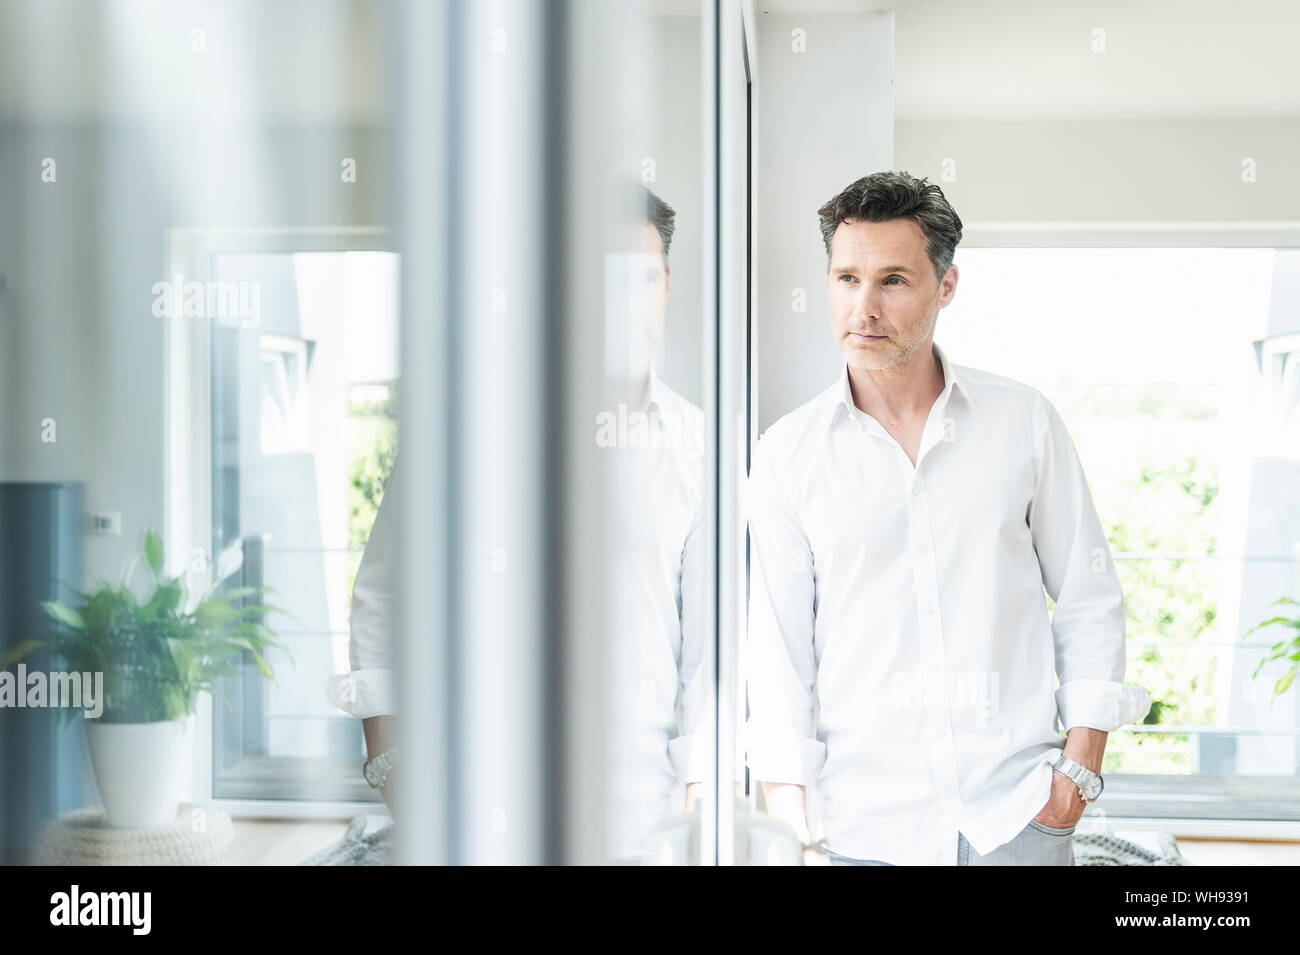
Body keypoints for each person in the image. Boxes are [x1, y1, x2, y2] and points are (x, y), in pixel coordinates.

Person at [745, 170, 1151, 866]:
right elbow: (779, 657)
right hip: (859, 834)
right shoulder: (787, 456)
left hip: (1018, 818)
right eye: (846, 279)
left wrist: (1074, 779)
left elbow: (1088, 599)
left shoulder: (1023, 422)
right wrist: (794, 830)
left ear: (947, 285)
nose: (863, 307)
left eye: (893, 280)